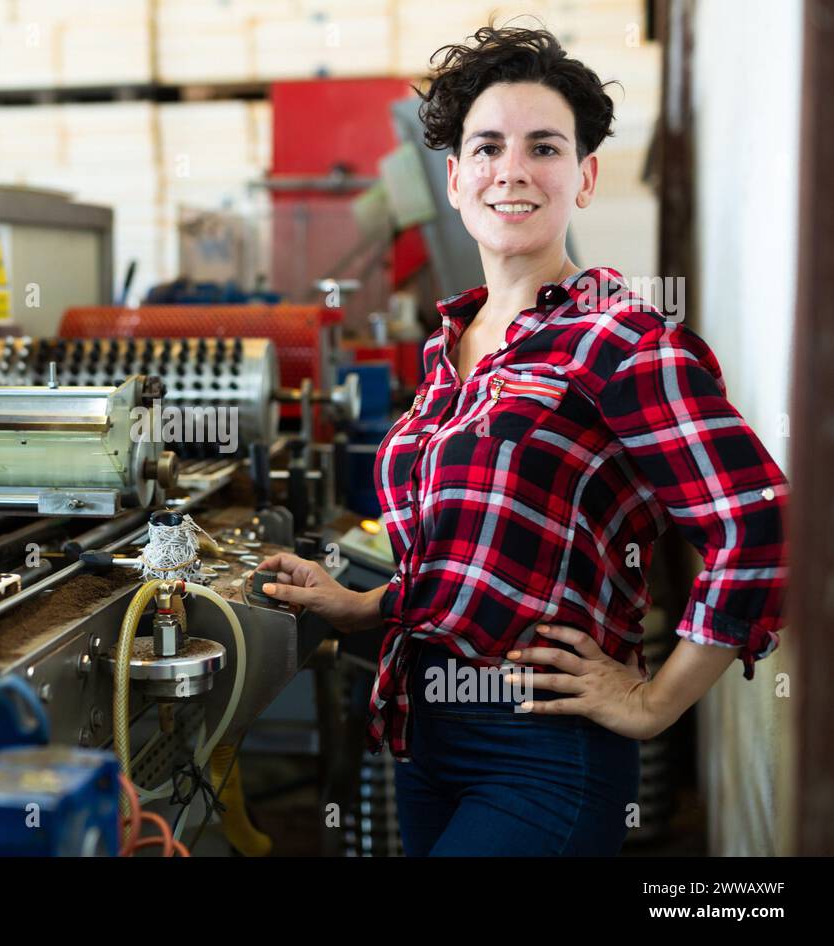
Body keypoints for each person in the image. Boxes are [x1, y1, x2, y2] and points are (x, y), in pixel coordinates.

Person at [256, 25, 789, 856]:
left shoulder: (621, 341)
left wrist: (656, 702)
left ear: (584, 178)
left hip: (543, 748)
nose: (512, 169)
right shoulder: (451, 348)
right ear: (457, 178)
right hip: (426, 737)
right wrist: (365, 606)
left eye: (544, 147)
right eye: (488, 146)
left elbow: (761, 522)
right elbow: (484, 557)